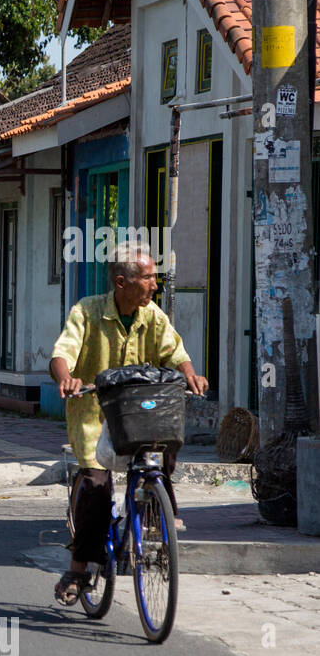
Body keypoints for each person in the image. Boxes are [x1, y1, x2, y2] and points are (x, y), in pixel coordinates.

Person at [49, 240, 208, 606]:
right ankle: (79, 567)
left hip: (139, 413)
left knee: (166, 438)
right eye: (148, 277)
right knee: (95, 485)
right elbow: (62, 353)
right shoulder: (87, 312)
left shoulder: (153, 315)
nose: (155, 284)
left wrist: (190, 374)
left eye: (155, 277)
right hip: (94, 416)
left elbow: (175, 352)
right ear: (122, 282)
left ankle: (158, 511)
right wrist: (66, 378)